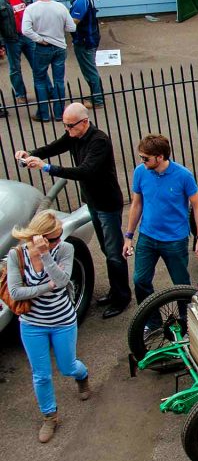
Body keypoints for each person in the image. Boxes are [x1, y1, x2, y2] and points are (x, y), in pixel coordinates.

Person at [15, 102, 130, 318]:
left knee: (114, 253)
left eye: (70, 126)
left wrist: (47, 168)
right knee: (107, 249)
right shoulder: (75, 135)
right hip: (93, 202)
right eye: (65, 126)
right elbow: (54, 147)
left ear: (84, 122)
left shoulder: (99, 141)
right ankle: (116, 291)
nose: (67, 130)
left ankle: (122, 297)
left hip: (107, 203)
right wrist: (31, 153)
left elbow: (85, 171)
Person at [6, 210, 91, 443]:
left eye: (59, 236)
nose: (58, 241)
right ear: (37, 236)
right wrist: (45, 287)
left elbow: (63, 281)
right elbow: (15, 292)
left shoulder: (64, 249)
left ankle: (82, 376)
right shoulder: (17, 256)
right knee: (41, 375)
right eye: (52, 238)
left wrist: (46, 255)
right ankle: (49, 416)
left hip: (63, 320)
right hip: (32, 324)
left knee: (67, 366)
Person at [123, 134, 198, 315]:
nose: (142, 161)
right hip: (147, 237)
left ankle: (186, 321)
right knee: (140, 280)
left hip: (175, 240)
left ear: (160, 157)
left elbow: (197, 205)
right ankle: (152, 323)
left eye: (146, 158)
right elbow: (136, 204)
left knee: (181, 285)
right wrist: (128, 236)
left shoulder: (183, 175)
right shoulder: (140, 172)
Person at [22, 0, 74, 122]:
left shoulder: (31, 8)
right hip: (59, 46)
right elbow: (72, 27)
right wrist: (58, 29)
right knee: (59, 80)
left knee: (39, 80)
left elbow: (25, 30)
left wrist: (39, 39)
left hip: (42, 47)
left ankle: (43, 114)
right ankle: (59, 113)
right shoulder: (60, 7)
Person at [62, 0, 103, 109]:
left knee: (89, 70)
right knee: (90, 68)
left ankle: (97, 99)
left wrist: (60, 22)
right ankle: (97, 94)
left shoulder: (81, 1)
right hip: (88, 38)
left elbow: (74, 23)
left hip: (85, 40)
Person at [1, 0, 35, 106]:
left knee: (37, 63)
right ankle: (20, 94)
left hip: (27, 35)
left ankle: (47, 90)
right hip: (11, 39)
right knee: (15, 68)